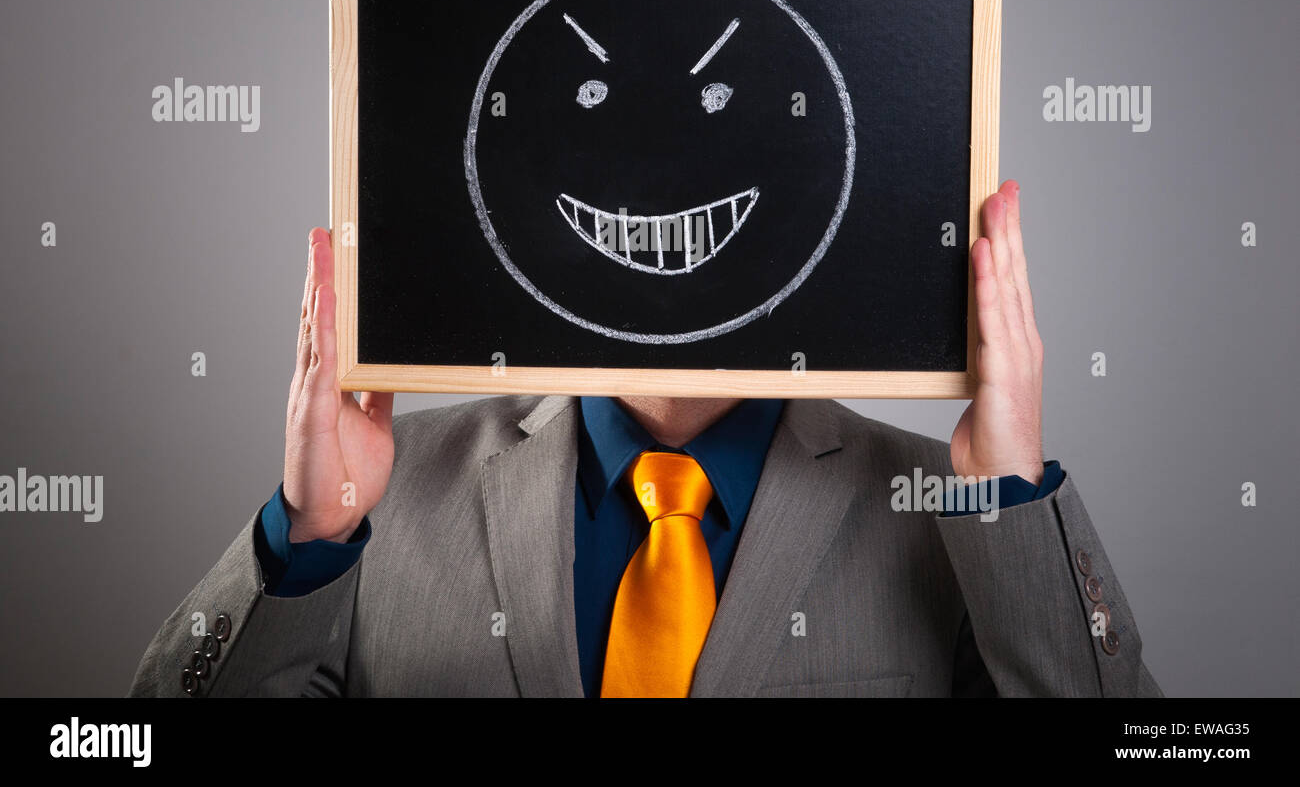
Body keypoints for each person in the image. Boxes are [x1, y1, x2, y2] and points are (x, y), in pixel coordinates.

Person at [129, 181, 1161, 697]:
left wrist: (1010, 504)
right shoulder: (373, 501)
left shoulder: (951, 517)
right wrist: (306, 537)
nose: (660, 187)